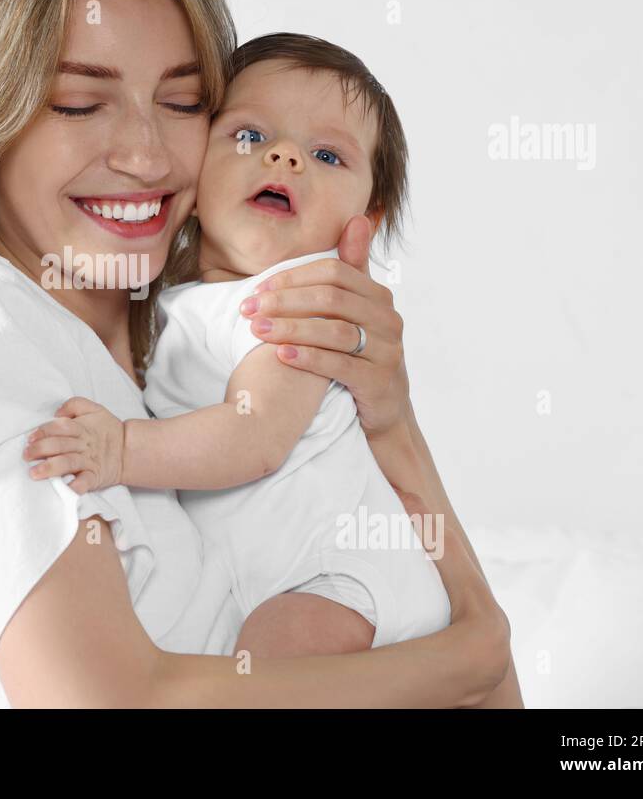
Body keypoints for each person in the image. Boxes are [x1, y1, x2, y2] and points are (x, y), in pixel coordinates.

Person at [0, 0, 519, 708]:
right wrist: (469, 650)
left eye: (183, 103)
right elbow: (110, 699)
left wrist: (391, 424)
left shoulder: (173, 374)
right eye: (79, 103)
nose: (146, 155)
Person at [24, 33, 451, 659]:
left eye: (328, 155)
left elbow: (253, 439)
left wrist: (120, 449)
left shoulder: (303, 303)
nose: (284, 157)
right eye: (250, 137)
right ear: (198, 172)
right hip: (270, 585)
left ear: (370, 215)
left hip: (335, 581)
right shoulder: (185, 302)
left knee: (261, 674)